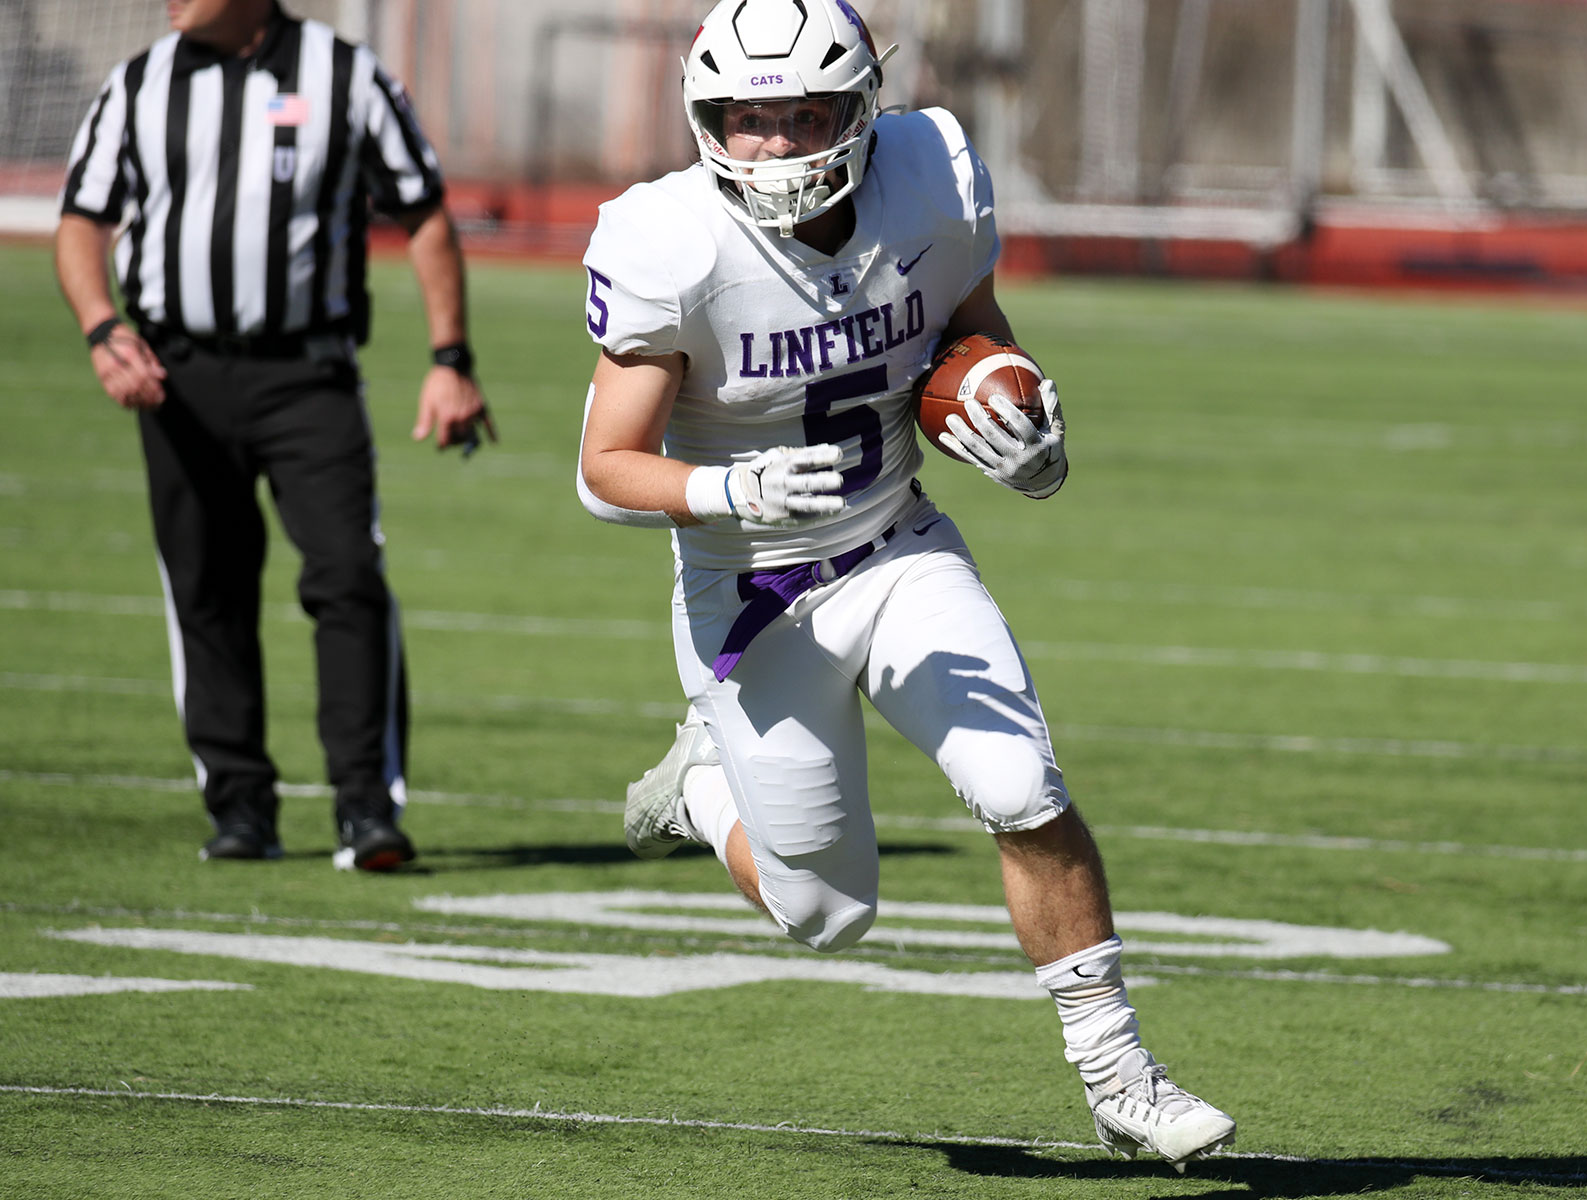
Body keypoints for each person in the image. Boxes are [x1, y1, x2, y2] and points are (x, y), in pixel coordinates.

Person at [576, 0, 1234, 1167]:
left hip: (896, 547)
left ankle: (1118, 1075)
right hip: (752, 600)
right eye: (744, 118)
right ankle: (701, 793)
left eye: (800, 116)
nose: (771, 143)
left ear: (861, 111)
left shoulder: (930, 178)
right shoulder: (669, 242)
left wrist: (1026, 430)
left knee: (1021, 783)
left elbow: (971, 336)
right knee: (828, 913)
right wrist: (731, 493)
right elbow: (604, 469)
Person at [54, 0, 495, 870]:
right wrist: (104, 329)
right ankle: (240, 805)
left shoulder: (349, 76)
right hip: (178, 378)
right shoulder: (138, 83)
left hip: (308, 377)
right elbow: (82, 220)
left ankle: (367, 806)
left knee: (346, 575)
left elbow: (426, 211)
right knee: (207, 585)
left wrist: (451, 358)